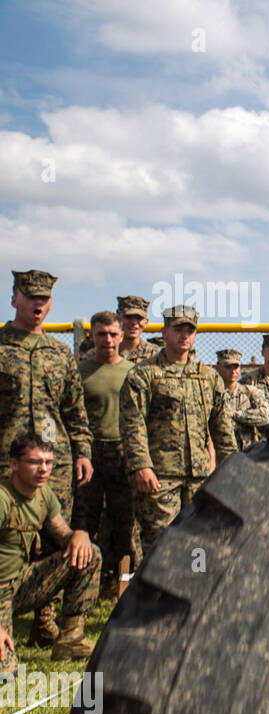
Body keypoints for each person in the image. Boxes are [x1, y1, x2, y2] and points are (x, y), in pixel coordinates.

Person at [1, 269, 94, 649]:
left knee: (61, 541)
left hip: (50, 465)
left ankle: (49, 624)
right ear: (14, 299)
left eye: (44, 299)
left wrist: (83, 452)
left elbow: (75, 410)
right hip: (6, 464)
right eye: (30, 296)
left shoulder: (59, 353)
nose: (38, 304)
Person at [120, 306, 236, 555]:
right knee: (161, 545)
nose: (184, 335)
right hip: (161, 477)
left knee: (200, 542)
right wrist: (141, 465)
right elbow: (133, 424)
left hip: (200, 477)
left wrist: (232, 469)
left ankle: (194, 592)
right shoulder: (144, 374)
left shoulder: (208, 377)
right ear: (164, 332)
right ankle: (156, 594)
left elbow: (221, 427)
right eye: (178, 330)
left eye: (189, 330)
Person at [0, 433, 101, 682]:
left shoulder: (43, 494)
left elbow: (62, 532)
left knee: (89, 554)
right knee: (6, 675)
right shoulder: (3, 499)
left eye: (48, 462)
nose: (43, 469)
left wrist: (77, 536)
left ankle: (70, 640)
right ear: (14, 464)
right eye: (35, 462)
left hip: (21, 583)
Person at [73, 311, 139, 597]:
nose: (108, 340)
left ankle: (121, 585)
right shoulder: (79, 371)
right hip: (90, 454)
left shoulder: (133, 371)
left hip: (123, 453)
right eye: (101, 334)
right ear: (92, 336)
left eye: (113, 334)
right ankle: (85, 587)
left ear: (122, 336)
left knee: (124, 522)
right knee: (86, 522)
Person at [215, 350, 269, 450]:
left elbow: (264, 416)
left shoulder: (250, 392)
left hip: (247, 452)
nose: (233, 371)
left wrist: (236, 415)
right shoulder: (213, 394)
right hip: (221, 451)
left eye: (235, 367)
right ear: (218, 368)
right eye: (228, 367)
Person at [116, 296, 161, 364]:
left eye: (138, 318)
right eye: (128, 317)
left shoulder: (156, 354)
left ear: (146, 322)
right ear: (117, 319)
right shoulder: (106, 351)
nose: (134, 322)